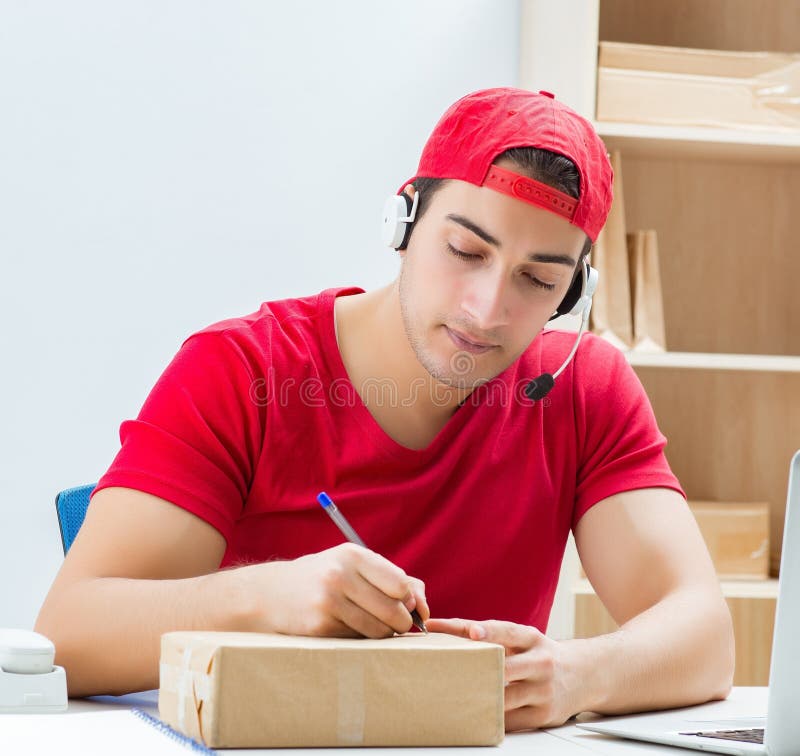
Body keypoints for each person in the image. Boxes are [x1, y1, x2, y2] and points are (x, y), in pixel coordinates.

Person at [35, 87, 734, 729]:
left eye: (538, 279)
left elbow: (705, 636)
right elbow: (69, 631)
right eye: (465, 250)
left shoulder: (583, 389)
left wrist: (580, 675)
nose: (486, 309)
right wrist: (269, 597)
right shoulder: (242, 370)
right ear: (404, 220)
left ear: (571, 295)